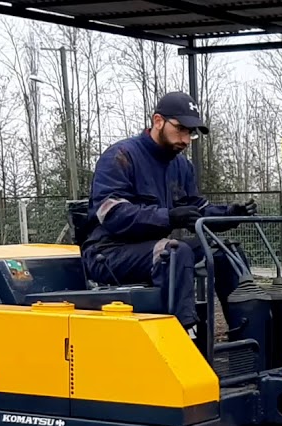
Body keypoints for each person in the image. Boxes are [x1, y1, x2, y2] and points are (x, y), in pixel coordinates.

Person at [80, 90, 256, 336]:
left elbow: (197, 209)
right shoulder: (121, 156)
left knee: (226, 252)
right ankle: (184, 336)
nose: (186, 139)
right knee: (174, 252)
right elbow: (113, 215)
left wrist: (230, 213)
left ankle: (250, 337)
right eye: (181, 129)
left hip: (154, 247)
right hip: (108, 252)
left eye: (191, 133)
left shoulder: (181, 166)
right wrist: (168, 217)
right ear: (158, 121)